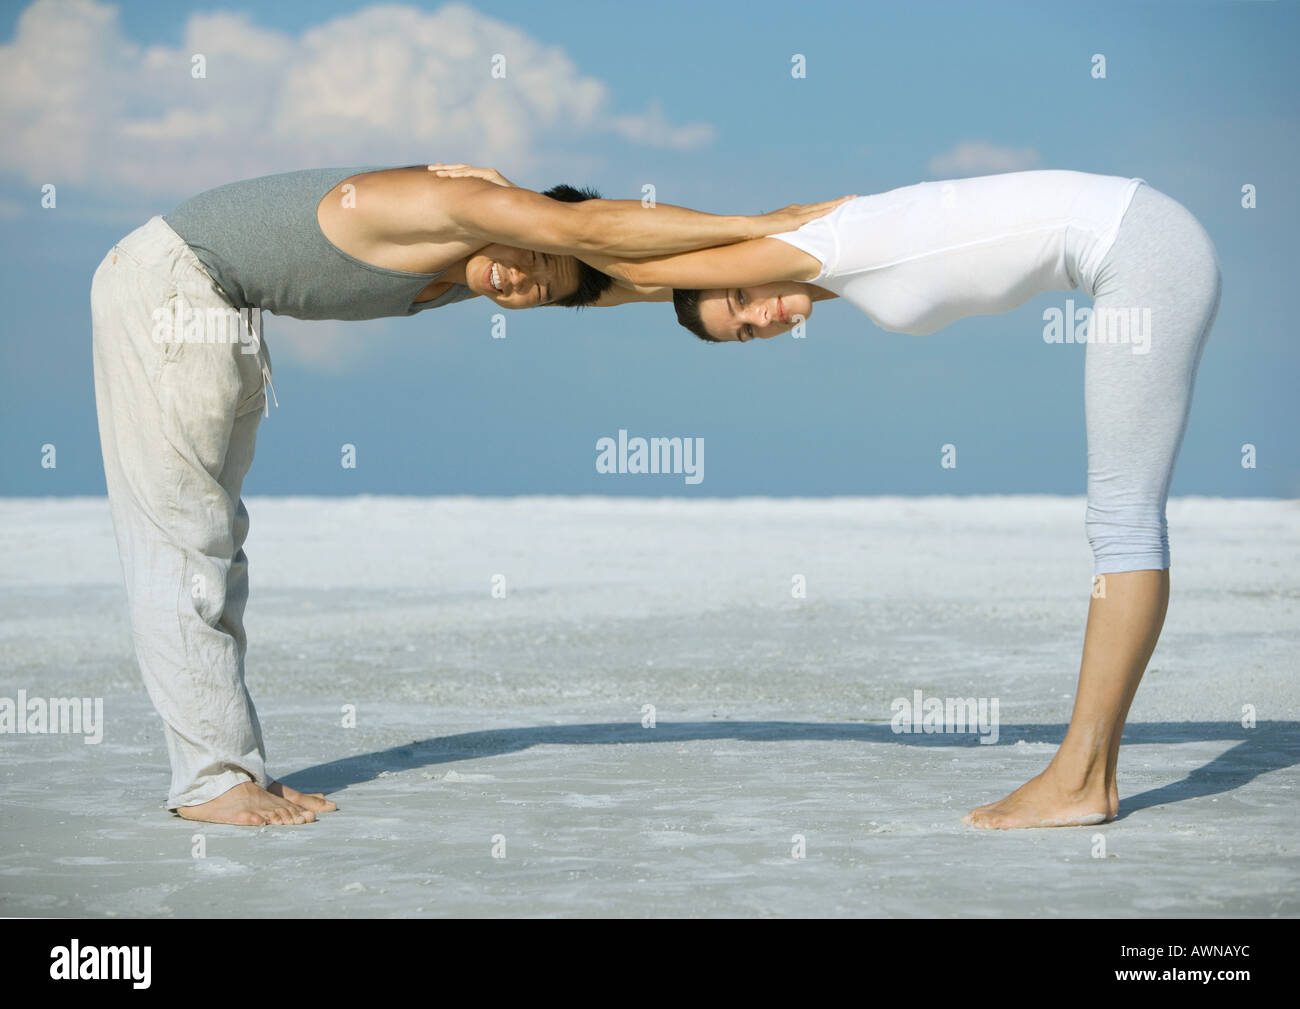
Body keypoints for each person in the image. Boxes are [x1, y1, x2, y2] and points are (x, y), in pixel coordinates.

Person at [90, 161, 851, 826]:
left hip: (219, 306)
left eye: (538, 289)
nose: (518, 283)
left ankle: (229, 768)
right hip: (173, 286)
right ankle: (211, 781)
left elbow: (646, 275)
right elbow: (591, 226)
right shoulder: (459, 206)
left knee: (218, 547)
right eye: (529, 260)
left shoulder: (499, 264)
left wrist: (820, 276)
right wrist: (766, 222)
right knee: (183, 540)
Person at [580, 170, 1222, 829]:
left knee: (1123, 520)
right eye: (744, 330)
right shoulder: (835, 270)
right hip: (1145, 246)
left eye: (742, 294)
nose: (760, 317)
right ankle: (1087, 774)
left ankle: (1082, 778)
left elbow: (632, 264)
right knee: (1124, 519)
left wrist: (481, 242)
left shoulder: (827, 238)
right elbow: (642, 286)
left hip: (1141, 249)